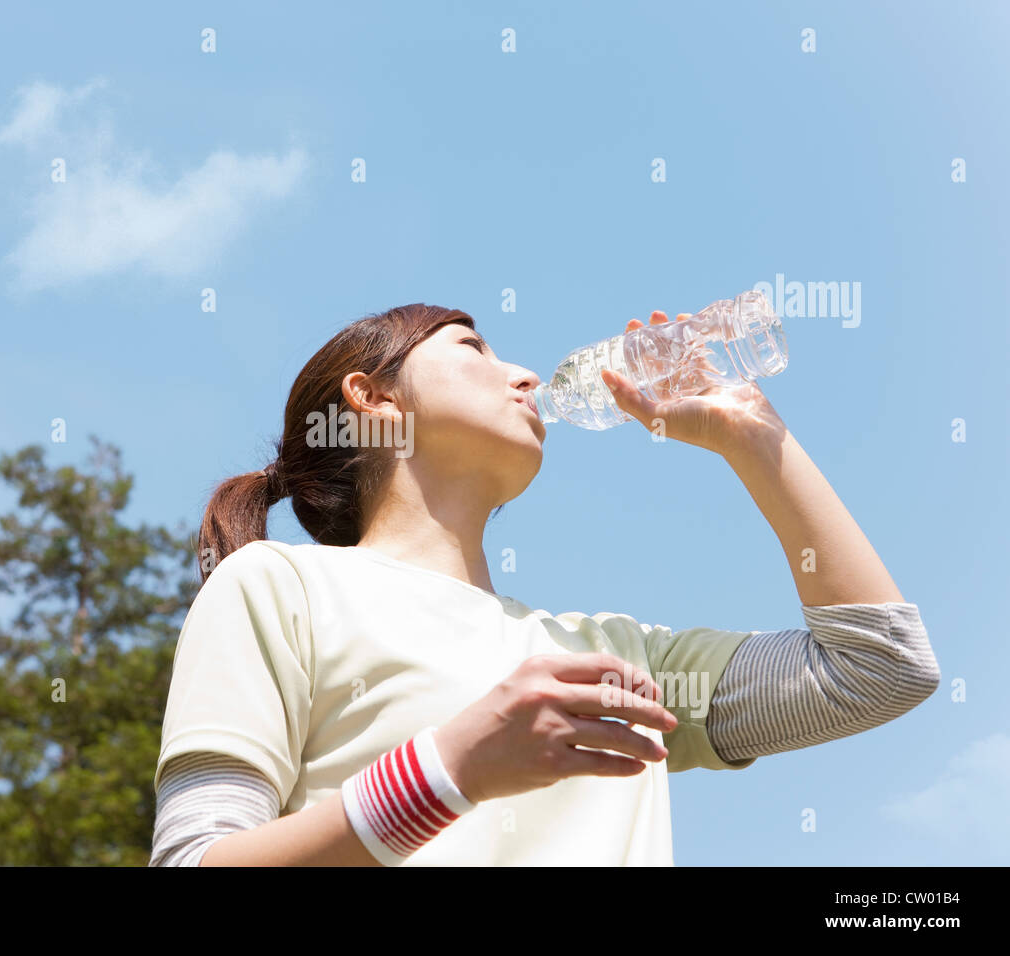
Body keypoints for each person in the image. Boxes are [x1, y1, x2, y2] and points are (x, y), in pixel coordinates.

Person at [148, 303, 939, 866]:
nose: (525, 375)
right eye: (475, 348)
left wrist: (755, 443)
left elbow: (881, 670)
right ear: (375, 399)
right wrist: (451, 769)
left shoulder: (611, 655)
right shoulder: (279, 585)